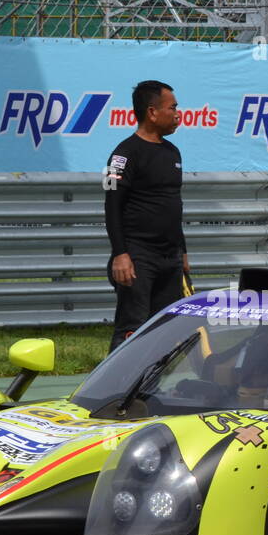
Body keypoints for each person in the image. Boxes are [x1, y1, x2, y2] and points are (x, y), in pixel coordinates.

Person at [104, 80, 189, 353]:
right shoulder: (123, 154)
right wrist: (120, 254)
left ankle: (151, 391)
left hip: (170, 257)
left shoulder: (172, 151)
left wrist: (182, 252)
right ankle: (113, 393)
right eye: (172, 108)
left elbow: (173, 205)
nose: (178, 114)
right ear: (152, 112)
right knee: (133, 330)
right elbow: (112, 206)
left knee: (165, 332)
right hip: (138, 257)